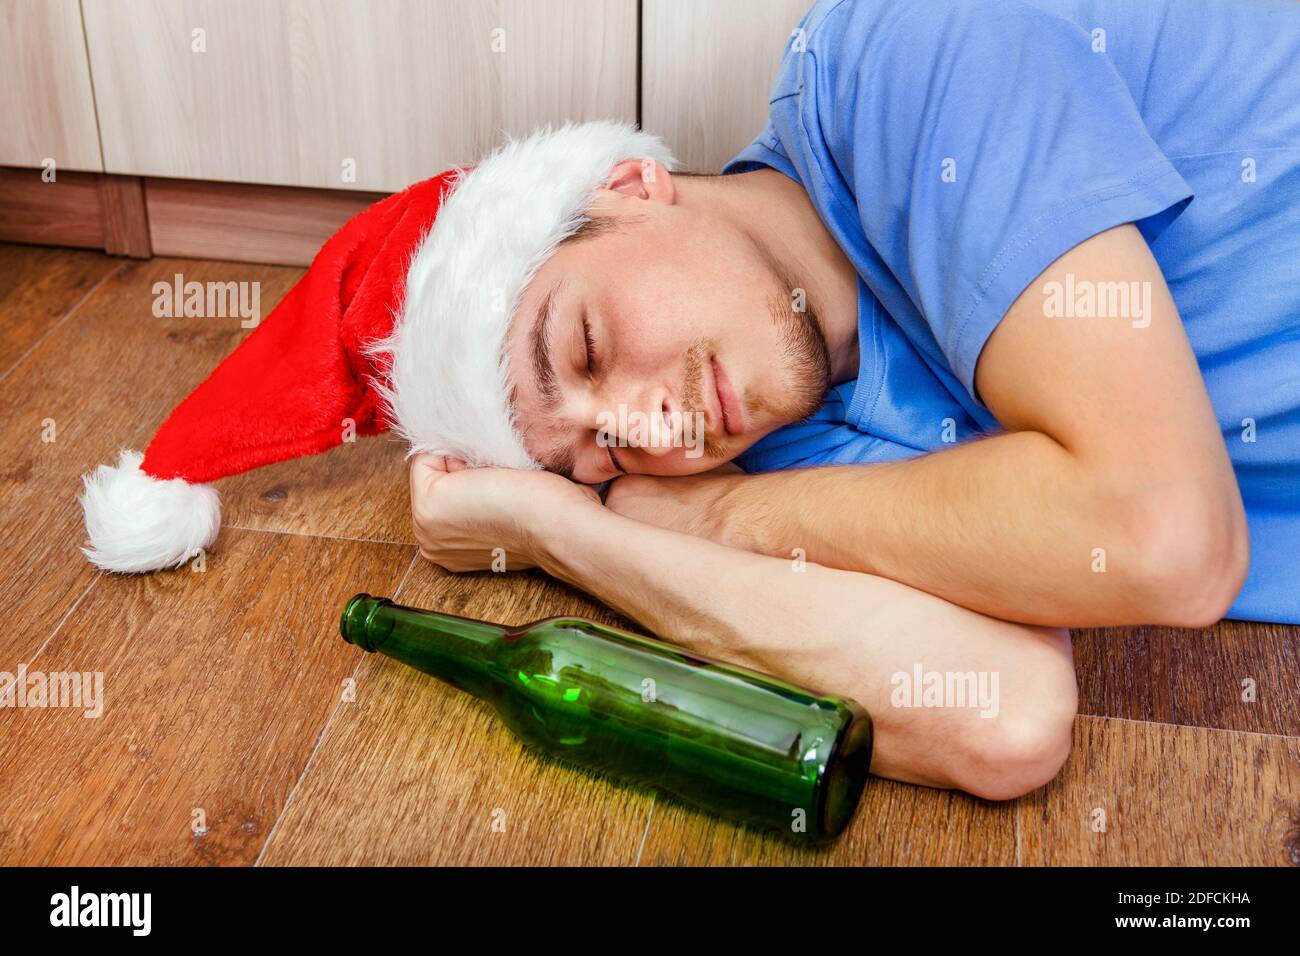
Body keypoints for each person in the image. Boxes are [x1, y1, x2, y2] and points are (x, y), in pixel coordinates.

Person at [409, 0, 1300, 797]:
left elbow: (1167, 540)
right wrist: (565, 535)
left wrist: (716, 517)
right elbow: (1003, 716)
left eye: (589, 347)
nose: (648, 427)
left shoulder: (912, 54)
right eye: (601, 456)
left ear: (630, 187)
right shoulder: (784, 431)